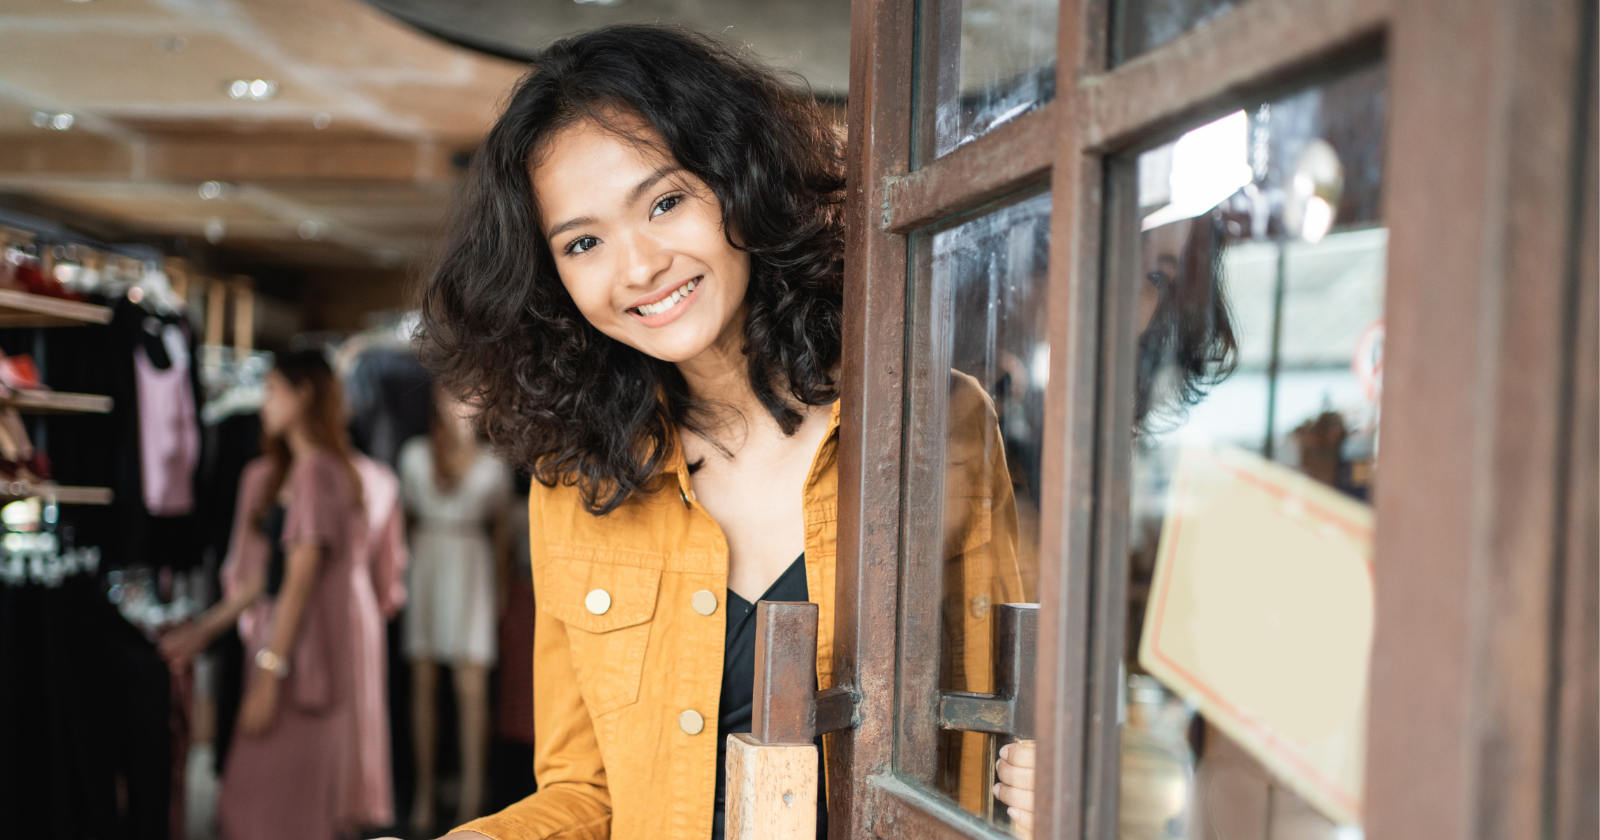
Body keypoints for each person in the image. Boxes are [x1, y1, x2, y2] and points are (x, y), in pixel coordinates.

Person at [413, 24, 1036, 840]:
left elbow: (989, 726)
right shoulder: (578, 483)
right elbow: (587, 796)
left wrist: (1034, 782)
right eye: (585, 242)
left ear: (742, 183)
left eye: (666, 202)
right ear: (550, 277)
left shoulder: (932, 425)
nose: (637, 267)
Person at [157, 349, 408, 840]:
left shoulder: (317, 471)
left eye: (272, 391)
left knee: (262, 801)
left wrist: (271, 672)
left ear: (304, 394)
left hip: (303, 650)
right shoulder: (303, 470)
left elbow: (299, 577)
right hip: (298, 644)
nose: (262, 404)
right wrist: (204, 632)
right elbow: (269, 576)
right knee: (280, 799)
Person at [401, 388, 513, 833]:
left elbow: (502, 534)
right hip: (427, 561)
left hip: (473, 567)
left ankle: (472, 797)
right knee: (423, 684)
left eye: (475, 396)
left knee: (472, 689)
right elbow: (404, 521)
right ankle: (424, 796)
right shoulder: (414, 455)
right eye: (457, 396)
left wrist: (500, 591)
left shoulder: (495, 461)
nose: (465, 405)